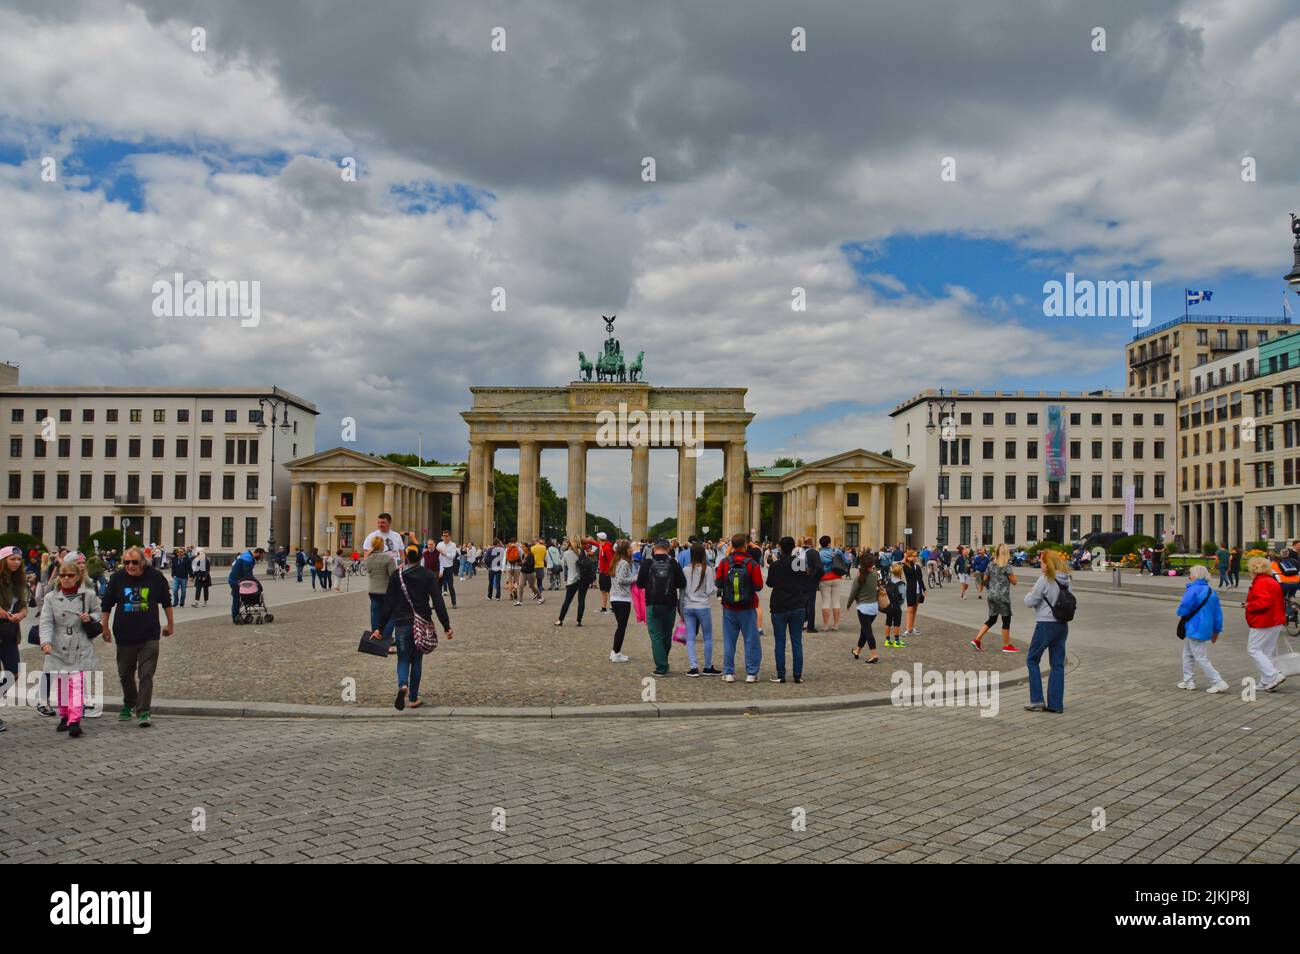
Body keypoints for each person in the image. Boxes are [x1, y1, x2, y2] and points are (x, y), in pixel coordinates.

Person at [101, 545, 174, 727]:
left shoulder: (155, 577)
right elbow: (107, 604)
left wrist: (170, 624)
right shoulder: (117, 578)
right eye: (126, 562)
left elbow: (166, 601)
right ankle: (129, 702)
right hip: (124, 635)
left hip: (149, 634)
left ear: (143, 562)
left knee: (146, 675)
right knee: (125, 673)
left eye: (134, 562)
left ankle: (143, 711)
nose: (130, 566)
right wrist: (104, 627)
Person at [371, 545, 452, 710]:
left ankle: (403, 686)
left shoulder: (397, 575)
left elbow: (388, 603)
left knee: (403, 659)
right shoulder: (428, 575)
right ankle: (413, 698)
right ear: (421, 556)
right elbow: (438, 601)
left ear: (405, 557)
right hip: (421, 622)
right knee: (416, 660)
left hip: (401, 623)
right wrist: (446, 626)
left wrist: (379, 627)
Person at [39, 558, 102, 737]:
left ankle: (75, 720)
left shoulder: (88, 594)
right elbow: (46, 622)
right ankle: (65, 714)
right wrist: (45, 642)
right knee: (61, 684)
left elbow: (98, 612)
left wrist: (89, 617)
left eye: (70, 575)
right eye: (62, 575)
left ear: (77, 576)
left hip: (79, 641)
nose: (66, 578)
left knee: (76, 683)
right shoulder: (51, 597)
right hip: (58, 643)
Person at [1023, 548, 1071, 713]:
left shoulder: (1044, 579)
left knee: (1032, 660)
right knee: (1057, 664)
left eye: (1042, 561)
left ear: (1048, 563)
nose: (1040, 564)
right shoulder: (1066, 580)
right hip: (1062, 625)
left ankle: (1037, 700)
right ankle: (1056, 704)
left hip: (1045, 623)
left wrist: (1029, 593)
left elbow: (1030, 601)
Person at [714, 533, 764, 683]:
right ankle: (751, 673)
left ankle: (729, 672)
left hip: (729, 606)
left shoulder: (724, 562)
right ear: (745, 545)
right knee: (751, 640)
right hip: (748, 606)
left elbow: (718, 583)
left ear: (732, 546)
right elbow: (759, 586)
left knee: (729, 641)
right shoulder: (751, 563)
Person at [637, 538, 687, 677]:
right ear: (668, 548)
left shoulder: (647, 563)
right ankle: (663, 661)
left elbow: (640, 584)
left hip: (652, 603)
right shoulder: (673, 562)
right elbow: (682, 582)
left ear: (654, 548)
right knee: (666, 635)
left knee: (656, 636)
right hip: (669, 603)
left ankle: (661, 666)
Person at [1174, 564, 1228, 693]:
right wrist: (1216, 630)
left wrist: (1179, 612)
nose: (1189, 576)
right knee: (1188, 654)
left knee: (1200, 657)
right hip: (1205, 627)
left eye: (1191, 573)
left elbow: (1185, 606)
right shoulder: (1211, 591)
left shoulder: (1193, 589)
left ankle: (1218, 681)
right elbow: (1217, 614)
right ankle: (1188, 681)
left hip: (1194, 626)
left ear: (1195, 575)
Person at [764, 536, 807, 681]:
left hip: (779, 606)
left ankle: (781, 675)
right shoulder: (798, 563)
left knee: (780, 642)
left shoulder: (776, 565)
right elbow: (803, 580)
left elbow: (769, 584)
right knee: (796, 642)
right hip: (797, 605)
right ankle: (797, 675)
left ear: (780, 549)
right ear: (794, 548)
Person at [1243, 555, 1287, 692]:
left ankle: (1273, 675)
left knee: (1253, 649)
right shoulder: (1272, 581)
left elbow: (1264, 601)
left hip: (1264, 621)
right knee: (1266, 652)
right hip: (1276, 620)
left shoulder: (1260, 582)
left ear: (1253, 569)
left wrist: (1249, 605)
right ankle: (1266, 681)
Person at [0, 546, 30, 733]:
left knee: (14, 672)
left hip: (10, 632)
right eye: (13, 559)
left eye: (18, 560)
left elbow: (25, 606)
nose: (16, 563)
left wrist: (21, 614)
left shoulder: (19, 582)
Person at [971, 543, 1020, 653]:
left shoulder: (990, 565)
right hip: (1003, 596)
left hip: (991, 595)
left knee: (992, 619)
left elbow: (985, 579)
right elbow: (1014, 582)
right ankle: (1006, 645)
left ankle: (977, 639)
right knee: (1006, 620)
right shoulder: (1006, 566)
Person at [679, 541, 717, 676]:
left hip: (689, 606)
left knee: (690, 638)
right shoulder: (708, 569)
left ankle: (693, 666)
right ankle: (707, 666)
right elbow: (710, 590)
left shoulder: (685, 569)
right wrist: (717, 589)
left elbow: (682, 590)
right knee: (707, 637)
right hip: (703, 606)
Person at [845, 551, 881, 664]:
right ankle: (857, 650)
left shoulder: (859, 578)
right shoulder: (875, 575)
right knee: (864, 630)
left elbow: (853, 593)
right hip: (874, 607)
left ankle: (874, 654)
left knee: (867, 631)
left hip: (863, 608)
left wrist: (848, 605)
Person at [608, 539, 634, 663]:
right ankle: (616, 653)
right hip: (623, 598)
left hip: (614, 597)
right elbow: (621, 580)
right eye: (630, 548)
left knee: (620, 627)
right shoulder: (624, 563)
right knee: (622, 627)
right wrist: (635, 578)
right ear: (626, 550)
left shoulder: (616, 561)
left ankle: (614, 651)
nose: (632, 550)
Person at [363, 534, 395, 632]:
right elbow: (393, 576)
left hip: (373, 590)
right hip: (386, 590)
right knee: (391, 615)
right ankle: (385, 637)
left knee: (375, 615)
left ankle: (376, 638)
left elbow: (368, 570)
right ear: (382, 546)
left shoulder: (368, 558)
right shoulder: (388, 558)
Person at [555, 538, 590, 626]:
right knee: (581, 600)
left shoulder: (566, 553)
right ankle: (579, 621)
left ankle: (560, 620)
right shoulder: (583, 552)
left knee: (567, 601)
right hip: (583, 579)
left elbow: (563, 565)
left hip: (572, 579)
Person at [816, 535, 846, 631]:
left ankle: (825, 625)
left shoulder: (820, 554)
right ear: (829, 542)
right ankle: (836, 624)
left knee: (825, 602)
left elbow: (818, 566)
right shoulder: (837, 551)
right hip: (836, 577)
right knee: (836, 601)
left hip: (825, 578)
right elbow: (846, 561)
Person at [227, 547, 265, 622]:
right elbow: (247, 574)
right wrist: (257, 583)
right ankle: (235, 618)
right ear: (257, 553)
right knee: (236, 600)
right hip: (235, 581)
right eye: (261, 556)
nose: (261, 558)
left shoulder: (248, 556)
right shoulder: (247, 558)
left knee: (238, 599)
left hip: (236, 579)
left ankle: (237, 617)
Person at [901, 549, 925, 637]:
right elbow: (908, 569)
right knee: (910, 610)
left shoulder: (918, 567)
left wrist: (924, 590)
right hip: (911, 591)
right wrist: (906, 558)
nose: (916, 557)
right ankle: (908, 629)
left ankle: (911, 627)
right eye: (914, 556)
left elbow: (920, 579)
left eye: (916, 556)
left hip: (918, 592)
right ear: (909, 557)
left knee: (915, 610)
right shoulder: (906, 566)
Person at [882, 562, 907, 648]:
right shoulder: (902, 584)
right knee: (897, 623)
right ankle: (897, 641)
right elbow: (903, 597)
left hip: (889, 606)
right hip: (897, 607)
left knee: (888, 622)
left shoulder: (888, 582)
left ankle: (887, 640)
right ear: (901, 573)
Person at [436, 531, 460, 610]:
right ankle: (438, 604)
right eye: (443, 536)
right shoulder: (439, 544)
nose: (445, 537)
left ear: (450, 537)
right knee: (439, 587)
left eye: (446, 536)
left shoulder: (453, 545)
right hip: (441, 567)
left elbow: (453, 556)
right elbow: (437, 554)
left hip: (449, 567)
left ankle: (454, 603)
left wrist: (444, 553)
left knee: (450, 586)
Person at [595, 532, 615, 614]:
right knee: (603, 590)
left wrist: (608, 571)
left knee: (609, 590)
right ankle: (604, 607)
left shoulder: (606, 548)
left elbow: (611, 560)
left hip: (606, 572)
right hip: (602, 572)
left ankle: (613, 608)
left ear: (599, 538)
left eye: (597, 537)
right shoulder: (602, 547)